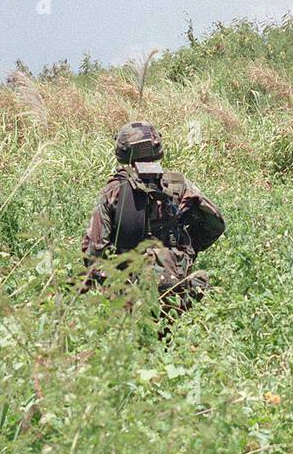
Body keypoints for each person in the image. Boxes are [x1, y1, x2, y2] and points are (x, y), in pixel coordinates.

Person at [81, 120, 224, 314]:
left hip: (129, 292)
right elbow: (216, 223)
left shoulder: (113, 191)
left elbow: (94, 250)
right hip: (174, 284)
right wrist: (187, 249)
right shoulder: (180, 185)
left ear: (123, 151)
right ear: (157, 147)